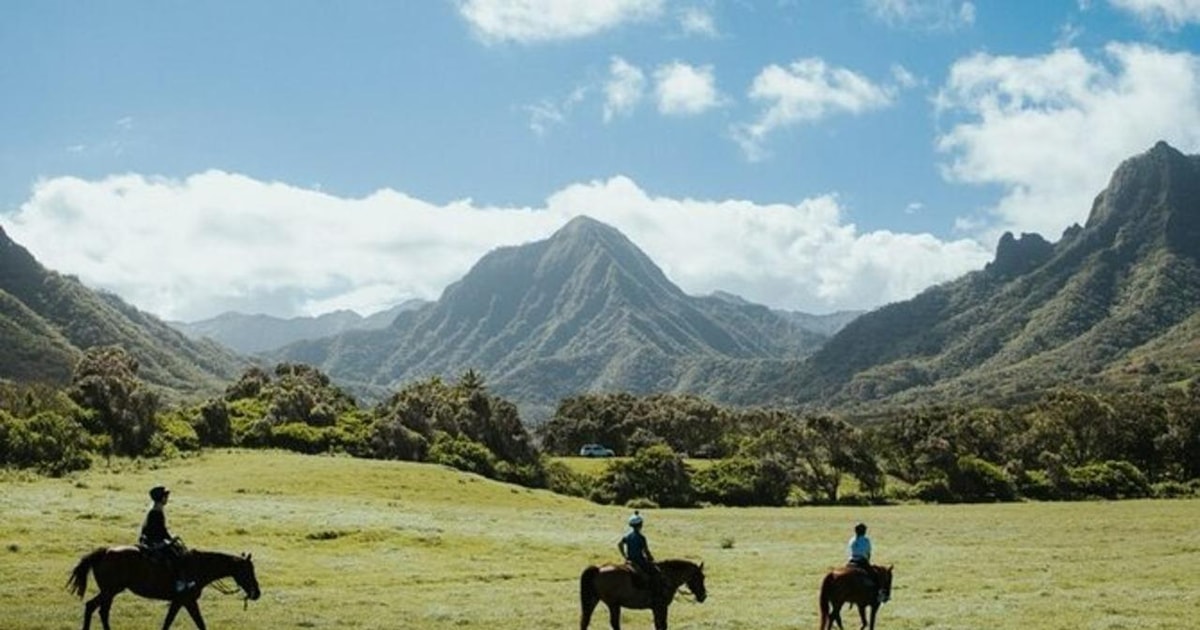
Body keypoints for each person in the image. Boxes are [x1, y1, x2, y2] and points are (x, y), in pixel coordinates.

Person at [139, 486, 192, 593]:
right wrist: (170, 539)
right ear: (161, 498)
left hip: (151, 539)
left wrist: (169, 537)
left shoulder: (155, 510)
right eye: (166, 496)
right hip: (152, 542)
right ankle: (179, 582)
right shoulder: (156, 512)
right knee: (175, 555)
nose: (167, 498)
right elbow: (160, 531)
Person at [618, 511, 662, 600]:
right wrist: (651, 558)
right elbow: (646, 551)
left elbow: (619, 544)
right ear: (640, 525)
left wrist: (624, 555)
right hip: (639, 561)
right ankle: (653, 593)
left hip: (629, 561)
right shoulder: (641, 537)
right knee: (656, 573)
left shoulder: (627, 536)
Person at [846, 522, 877, 594]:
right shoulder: (866, 540)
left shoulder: (851, 539)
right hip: (861, 561)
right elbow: (868, 552)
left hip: (851, 561)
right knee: (874, 576)